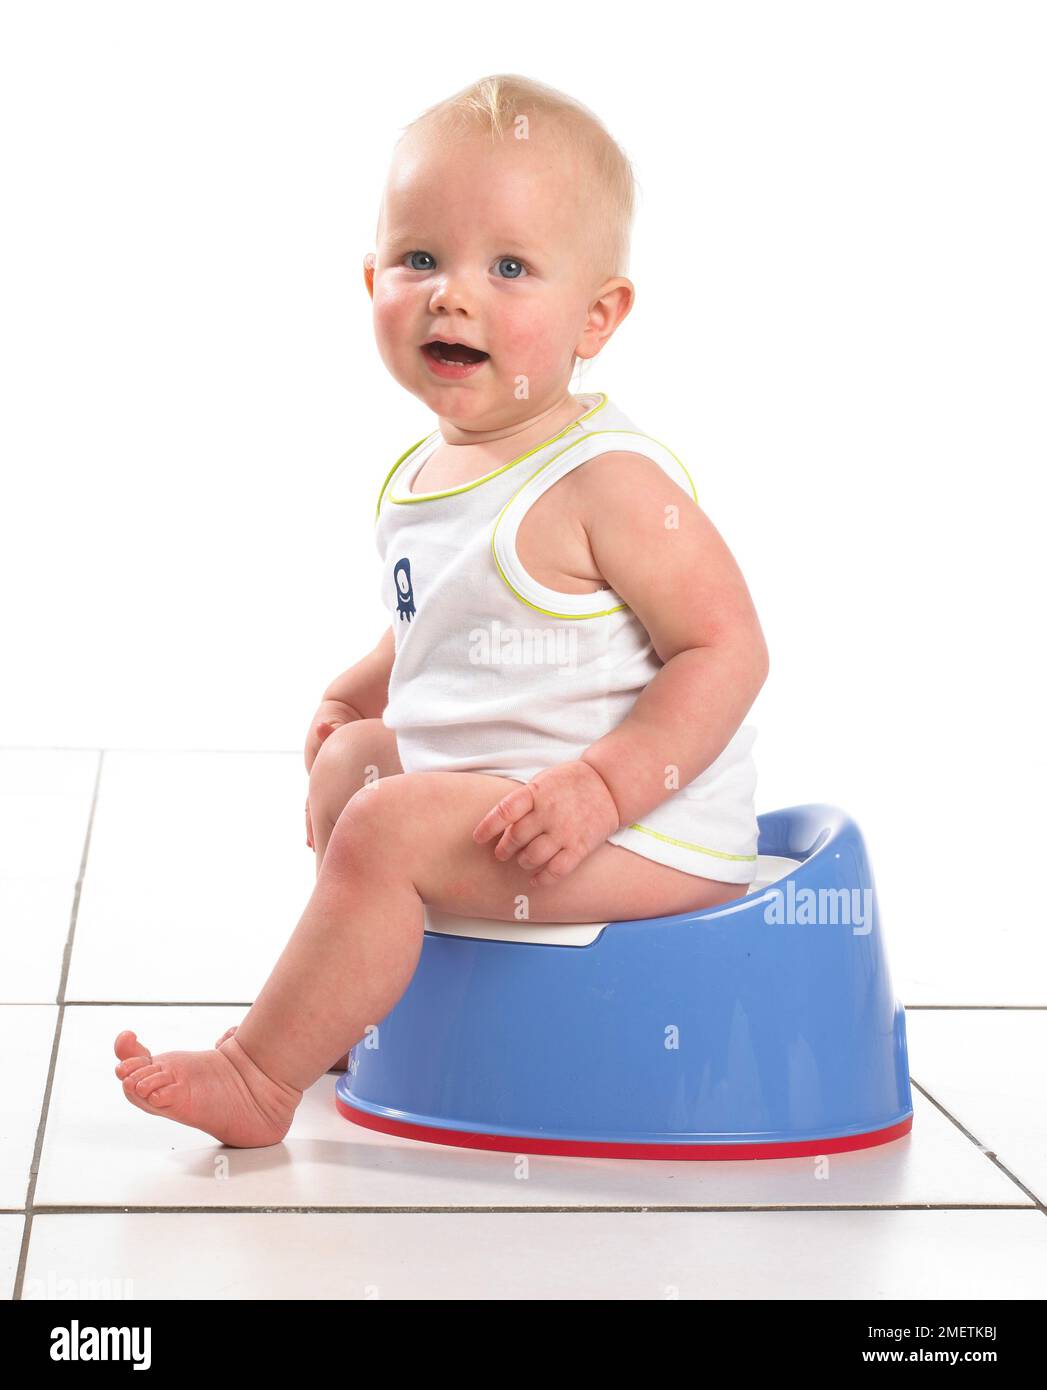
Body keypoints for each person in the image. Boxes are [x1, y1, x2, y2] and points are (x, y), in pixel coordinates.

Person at [114, 73, 769, 1148]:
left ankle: (258, 1072)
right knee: (352, 768)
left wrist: (605, 788)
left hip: (645, 829)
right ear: (369, 277)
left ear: (596, 314)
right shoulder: (430, 471)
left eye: (509, 267)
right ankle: (343, 1003)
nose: (451, 295)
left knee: (384, 820)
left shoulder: (608, 479)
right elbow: (450, 624)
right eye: (420, 259)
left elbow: (728, 647)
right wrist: (356, 687)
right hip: (509, 799)